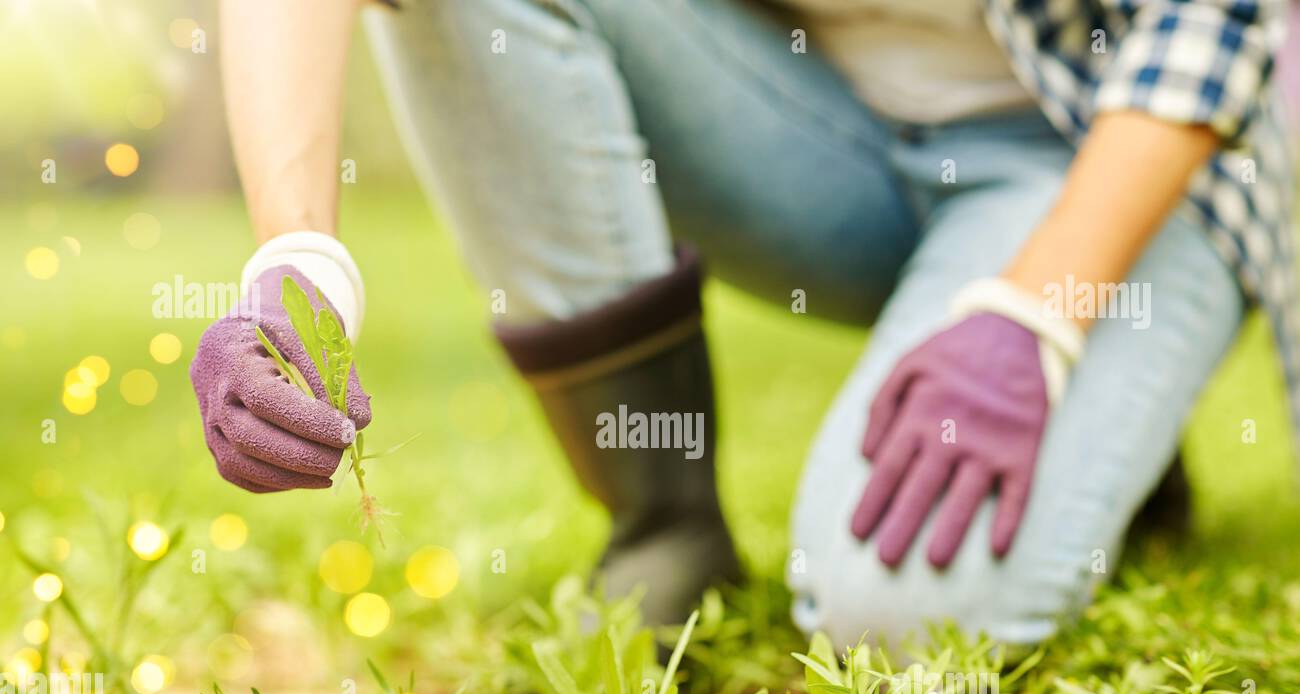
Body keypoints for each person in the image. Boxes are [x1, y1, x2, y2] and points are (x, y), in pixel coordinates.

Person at [193, 0, 1296, 651]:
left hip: (1110, 148)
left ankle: (1102, 387)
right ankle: (665, 531)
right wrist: (296, 258)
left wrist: (1035, 317)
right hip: (829, 120)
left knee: (894, 615)